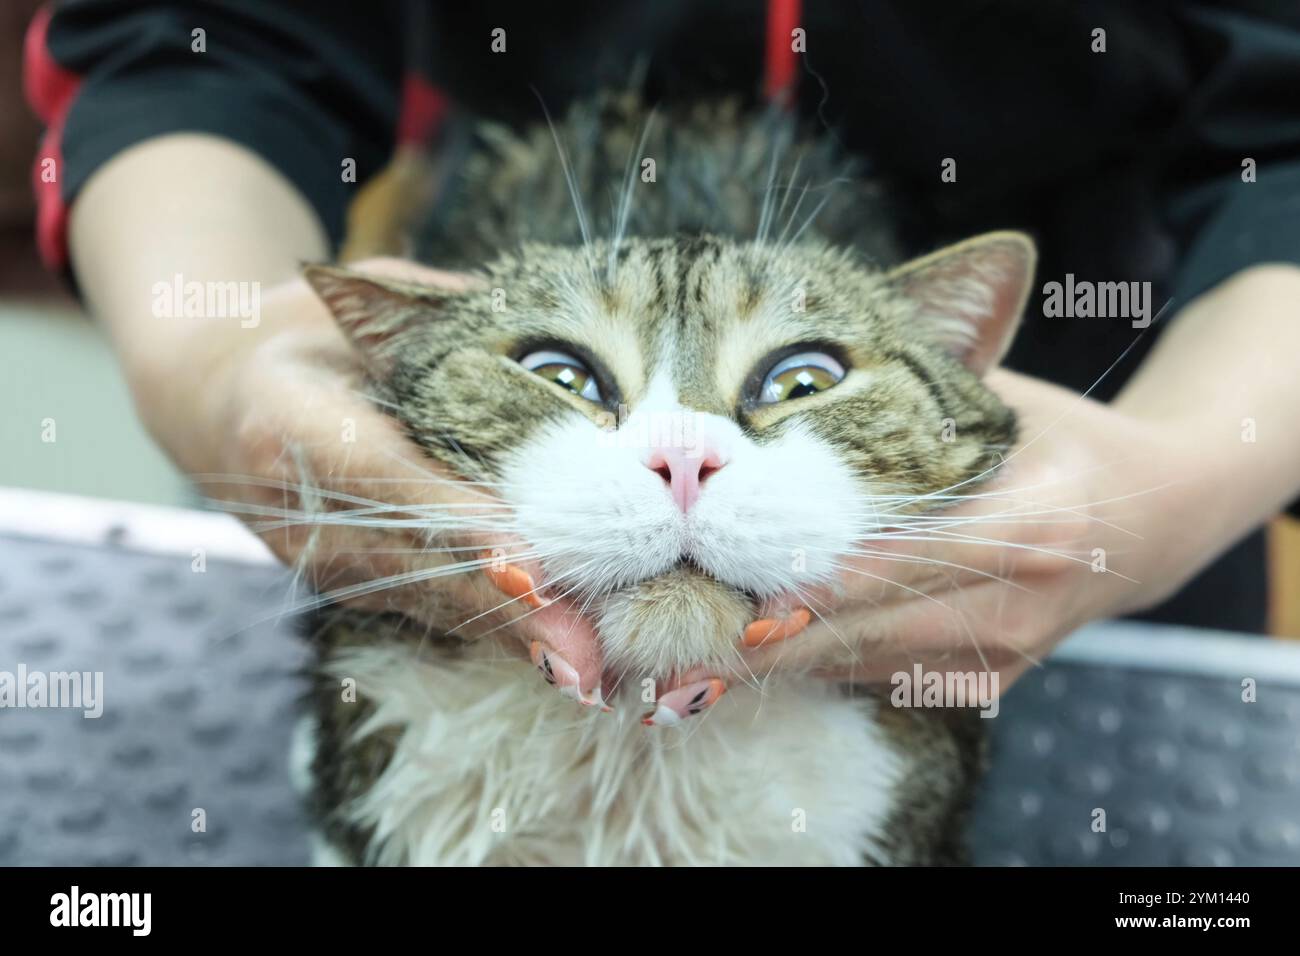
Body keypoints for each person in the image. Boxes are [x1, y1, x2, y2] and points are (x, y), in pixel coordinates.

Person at [26, 0, 1300, 706]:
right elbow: (196, 32)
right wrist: (216, 358)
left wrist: (1178, 473)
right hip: (498, 310)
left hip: (1094, 403)